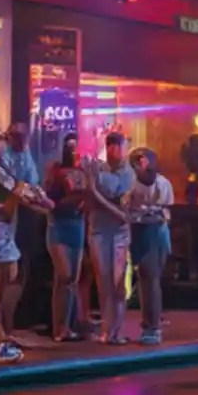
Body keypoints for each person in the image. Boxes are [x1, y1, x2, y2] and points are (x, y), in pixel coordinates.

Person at [0, 129, 53, 363]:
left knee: (1, 283)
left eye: (0, 153)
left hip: (4, 234)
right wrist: (7, 204)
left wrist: (39, 201)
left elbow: (25, 195)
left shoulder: (5, 177)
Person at [85, 132, 134, 345]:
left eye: (117, 145)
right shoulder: (99, 171)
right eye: (110, 145)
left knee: (118, 281)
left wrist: (95, 190)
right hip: (99, 231)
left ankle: (117, 330)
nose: (113, 149)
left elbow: (124, 212)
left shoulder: (130, 174)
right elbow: (91, 201)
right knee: (103, 281)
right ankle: (108, 330)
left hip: (120, 233)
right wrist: (94, 191)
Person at [125, 148, 173, 345]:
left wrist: (156, 214)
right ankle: (148, 323)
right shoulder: (129, 183)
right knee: (144, 278)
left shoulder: (163, 184)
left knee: (151, 277)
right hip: (135, 231)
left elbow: (167, 212)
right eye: (138, 162)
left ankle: (153, 326)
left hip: (156, 232)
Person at [45, 133, 89, 341]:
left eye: (75, 146)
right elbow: (50, 199)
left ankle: (67, 325)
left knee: (72, 278)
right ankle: (59, 327)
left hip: (77, 224)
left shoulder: (83, 171)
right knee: (63, 275)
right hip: (59, 224)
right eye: (69, 146)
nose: (73, 150)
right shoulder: (55, 172)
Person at [1, 122, 41, 342]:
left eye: (24, 136)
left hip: (22, 219)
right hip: (7, 220)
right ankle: (3, 327)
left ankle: (8, 326)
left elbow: (32, 183)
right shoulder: (4, 157)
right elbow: (14, 186)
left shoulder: (25, 155)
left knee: (19, 273)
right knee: (8, 275)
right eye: (17, 136)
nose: (21, 140)